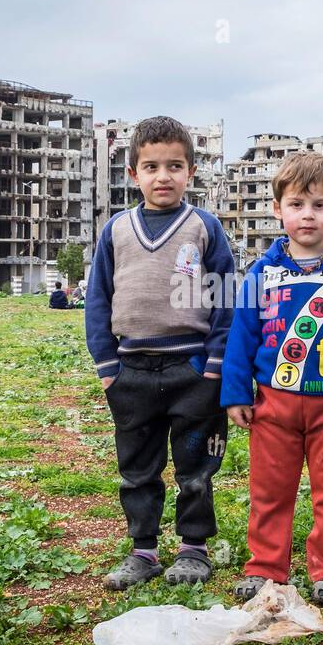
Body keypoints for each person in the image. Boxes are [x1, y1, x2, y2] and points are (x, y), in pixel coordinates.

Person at [220, 151, 323, 607]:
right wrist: (236, 390)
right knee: (269, 488)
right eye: (296, 204)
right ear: (278, 210)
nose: (307, 215)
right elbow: (242, 333)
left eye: (319, 205)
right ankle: (264, 566)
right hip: (272, 405)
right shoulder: (262, 273)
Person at [84, 116, 235, 590]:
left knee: (196, 467)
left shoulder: (204, 228)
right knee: (137, 469)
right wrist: (109, 367)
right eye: (151, 166)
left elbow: (227, 298)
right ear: (134, 174)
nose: (162, 176)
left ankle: (194, 549)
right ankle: (143, 551)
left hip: (193, 369)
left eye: (174, 166)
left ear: (191, 171)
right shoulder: (115, 230)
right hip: (132, 370)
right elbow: (98, 299)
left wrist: (214, 364)